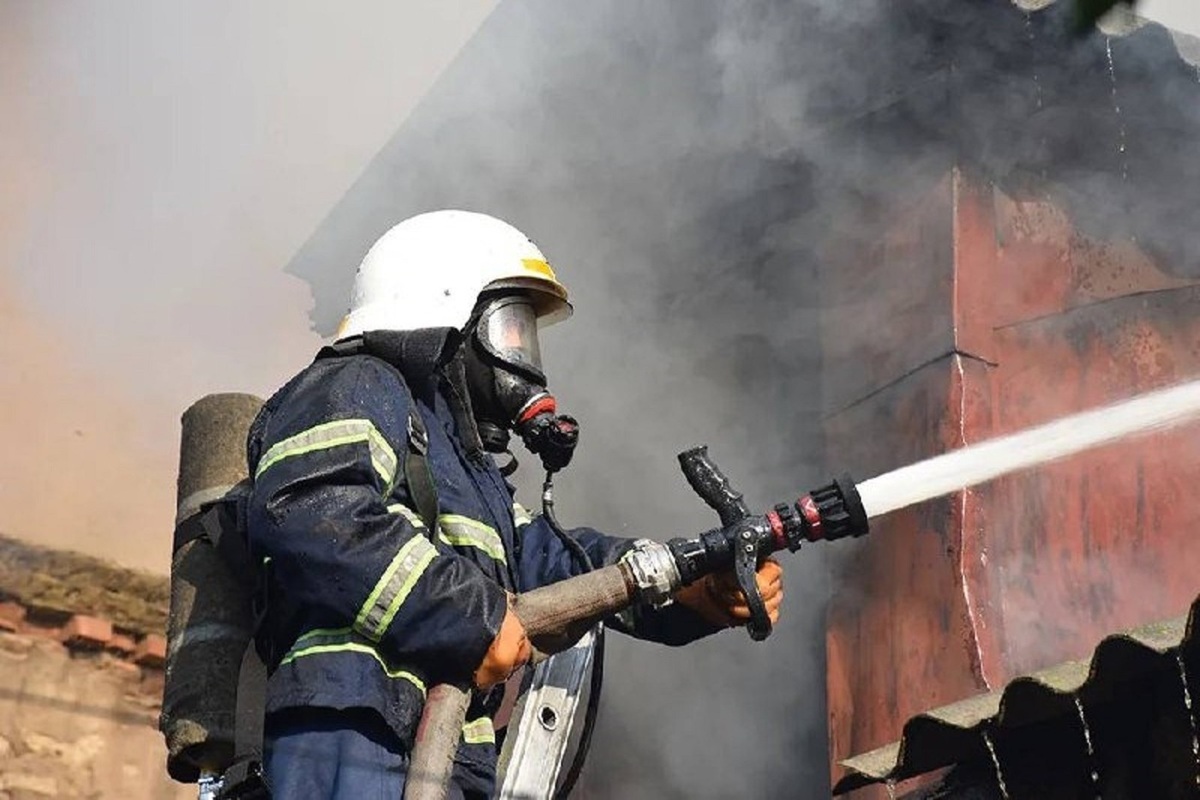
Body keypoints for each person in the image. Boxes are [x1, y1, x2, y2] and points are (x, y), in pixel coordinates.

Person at [245, 210, 784, 799]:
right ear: (443, 311)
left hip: (450, 752)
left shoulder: (466, 469)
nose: (523, 358)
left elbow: (552, 563)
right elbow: (317, 513)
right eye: (510, 329)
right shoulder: (355, 384)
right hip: (354, 726)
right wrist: (470, 619)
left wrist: (685, 585)